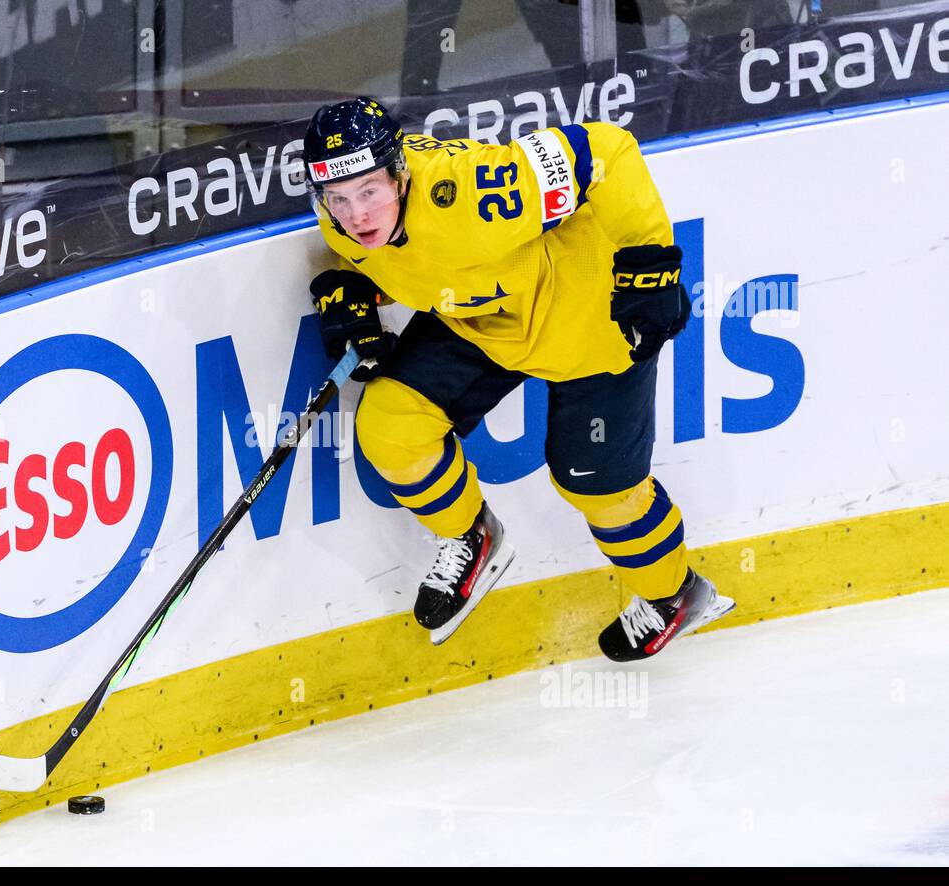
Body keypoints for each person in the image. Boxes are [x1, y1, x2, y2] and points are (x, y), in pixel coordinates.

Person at [302, 96, 734, 657]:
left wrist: (649, 265)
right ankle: (471, 537)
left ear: (401, 174)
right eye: (338, 197)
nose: (357, 214)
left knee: (598, 488)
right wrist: (354, 291)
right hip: (484, 322)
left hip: (590, 325)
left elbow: (606, 151)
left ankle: (675, 597)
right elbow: (410, 263)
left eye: (369, 192)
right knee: (390, 424)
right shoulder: (342, 227)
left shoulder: (477, 192)